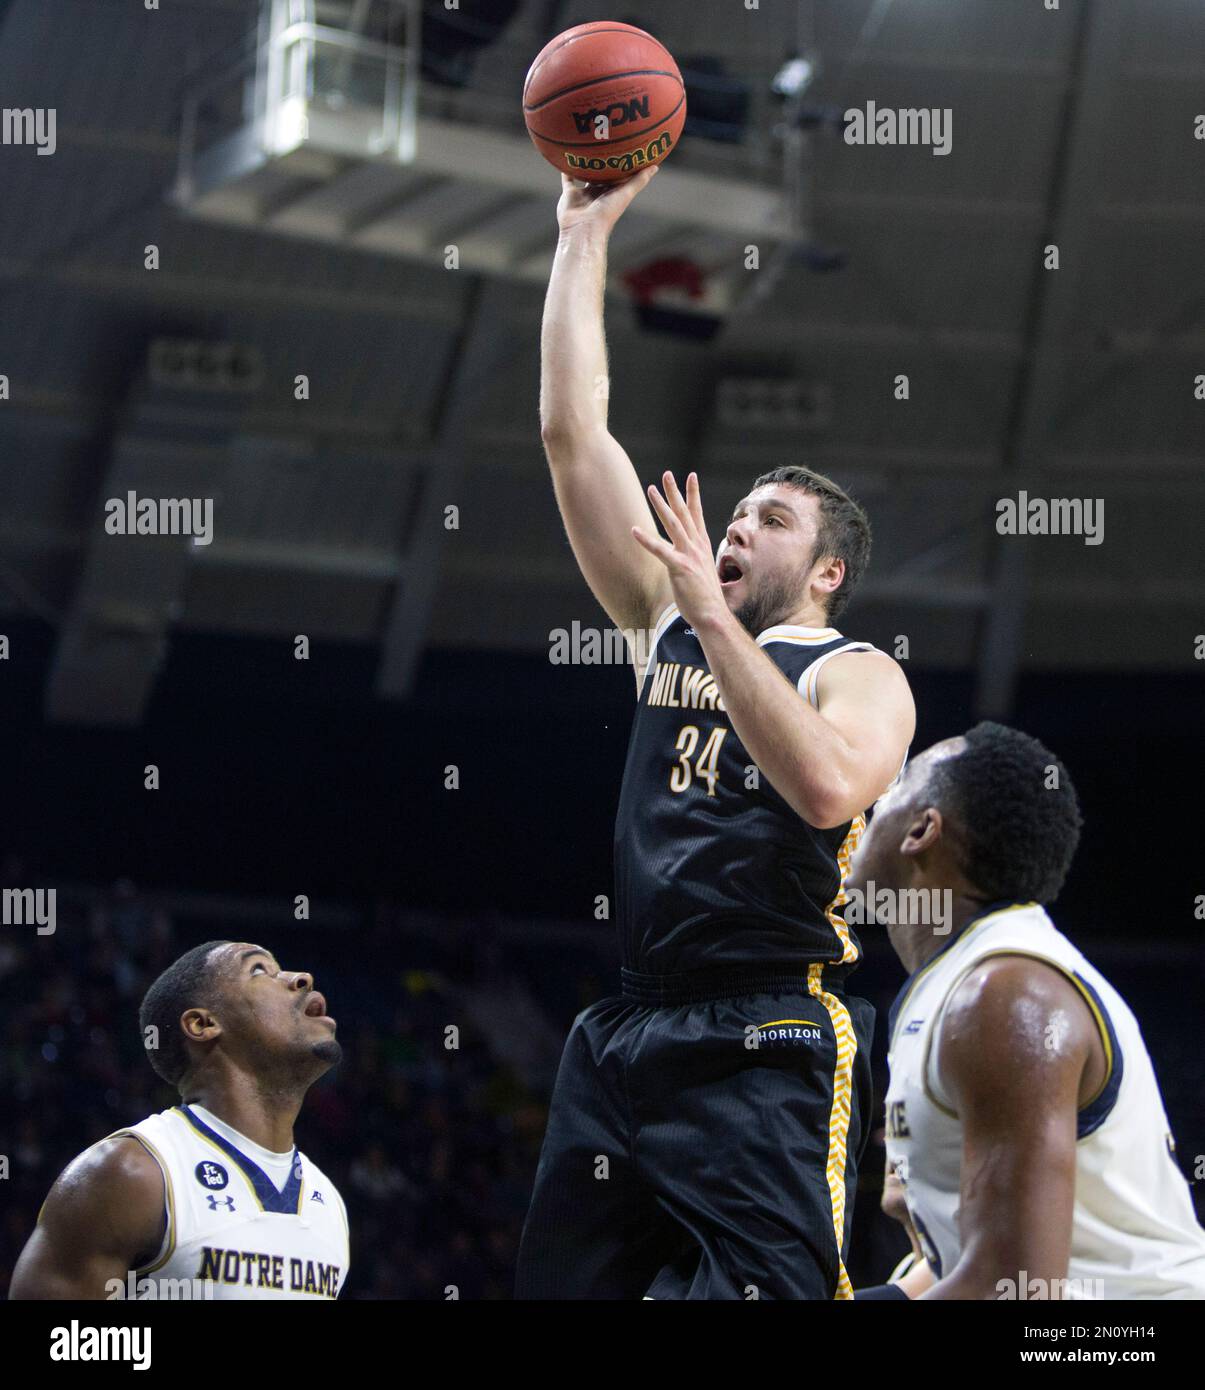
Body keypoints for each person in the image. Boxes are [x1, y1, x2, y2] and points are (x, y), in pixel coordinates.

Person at [515, 166, 916, 1300]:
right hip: (626, 1024)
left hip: (770, 1026)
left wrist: (702, 614)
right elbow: (568, 429)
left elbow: (830, 787)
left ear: (827, 571)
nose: (736, 526)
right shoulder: (666, 619)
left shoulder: (856, 670)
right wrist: (579, 232)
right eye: (733, 513)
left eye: (769, 521)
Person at [849, 723, 1205, 1300]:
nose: (867, 809)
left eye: (895, 789)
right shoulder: (962, 982)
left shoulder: (1005, 997)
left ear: (922, 830)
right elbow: (962, 1269)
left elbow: (1010, 1288)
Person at [11, 940, 348, 1300]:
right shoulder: (132, 1173)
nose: (302, 979)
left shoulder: (328, 1203)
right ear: (203, 1024)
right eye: (259, 970)